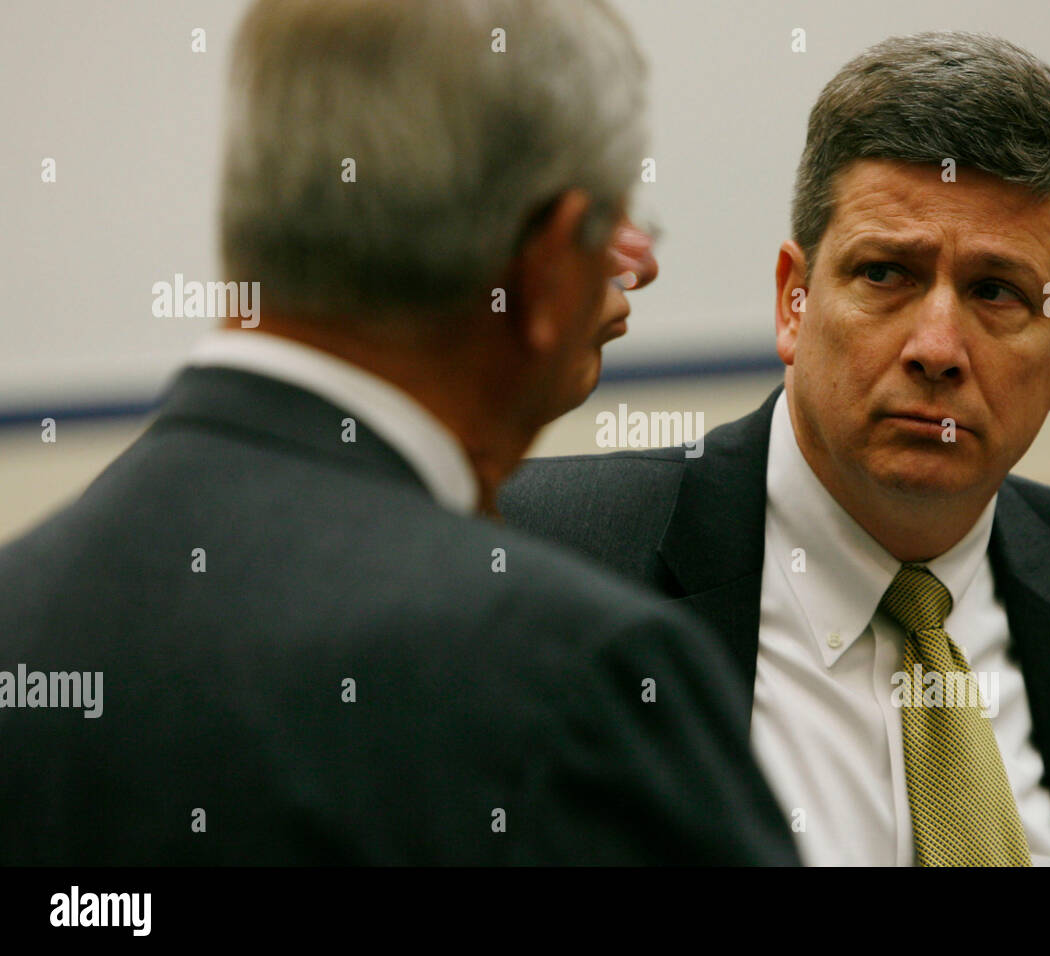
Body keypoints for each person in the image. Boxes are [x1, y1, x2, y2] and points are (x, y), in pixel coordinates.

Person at [0, 0, 798, 866]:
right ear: (544, 267)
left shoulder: (23, 618)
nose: (639, 264)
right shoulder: (571, 684)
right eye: (613, 224)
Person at [500, 31, 1050, 866]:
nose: (937, 347)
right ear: (793, 304)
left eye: (995, 292)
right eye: (886, 274)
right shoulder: (553, 558)